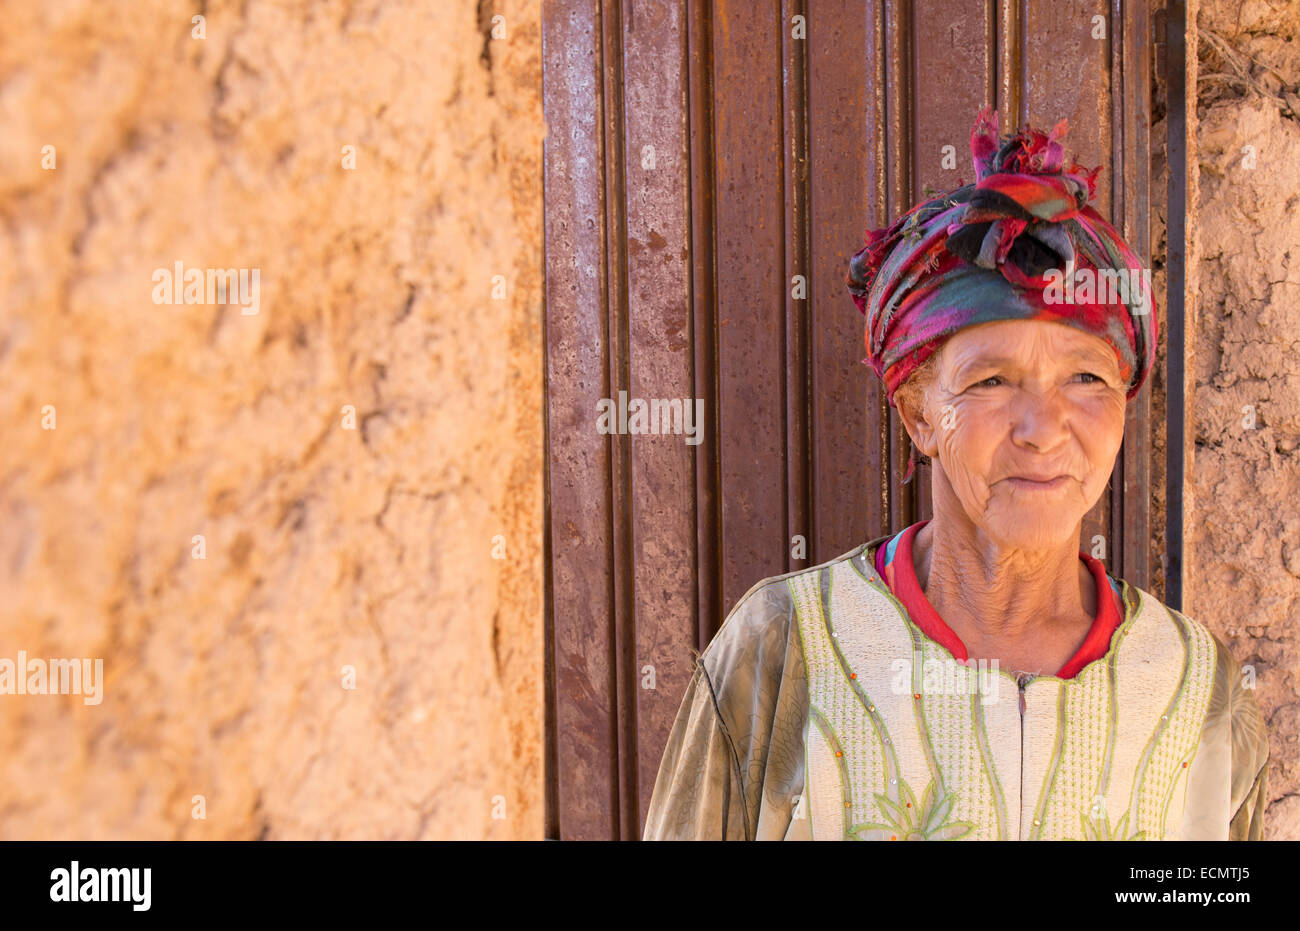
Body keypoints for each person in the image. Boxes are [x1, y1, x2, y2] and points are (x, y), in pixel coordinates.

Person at [642, 107, 1269, 841]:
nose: (1044, 429)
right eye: (992, 381)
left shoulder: (1195, 690)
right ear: (917, 414)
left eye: (1088, 378)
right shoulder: (787, 651)